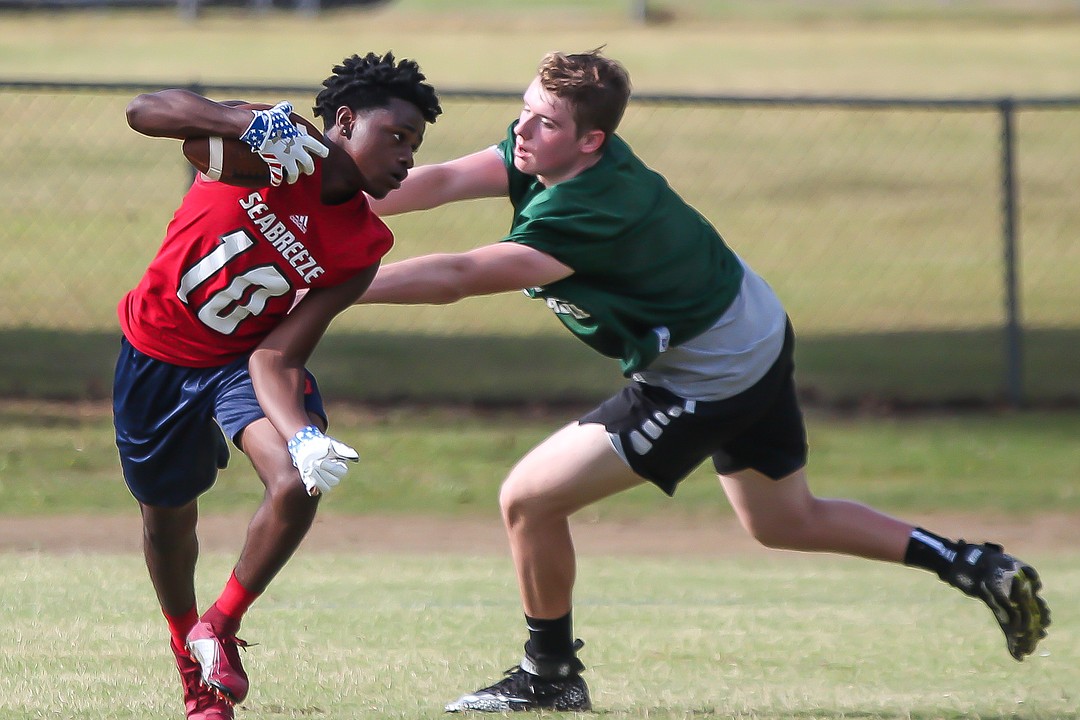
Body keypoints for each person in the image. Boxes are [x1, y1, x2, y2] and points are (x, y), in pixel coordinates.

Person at [355, 49, 1051, 713]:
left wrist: (324, 282)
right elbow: (437, 182)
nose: (523, 130)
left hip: (708, 373)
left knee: (529, 501)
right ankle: (971, 564)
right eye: (526, 110)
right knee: (785, 520)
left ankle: (549, 676)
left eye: (546, 122)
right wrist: (324, 203)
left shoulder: (589, 207)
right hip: (751, 326)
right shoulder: (545, 153)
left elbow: (458, 277)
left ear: (592, 141)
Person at [115, 52, 441, 720]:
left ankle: (220, 628)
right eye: (398, 137)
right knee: (166, 523)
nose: (407, 158)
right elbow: (144, 112)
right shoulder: (274, 143)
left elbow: (281, 356)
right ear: (345, 121)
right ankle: (188, 660)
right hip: (156, 354)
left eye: (416, 147)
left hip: (238, 364)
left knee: (296, 481)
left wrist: (303, 437)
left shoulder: (364, 245)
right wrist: (245, 123)